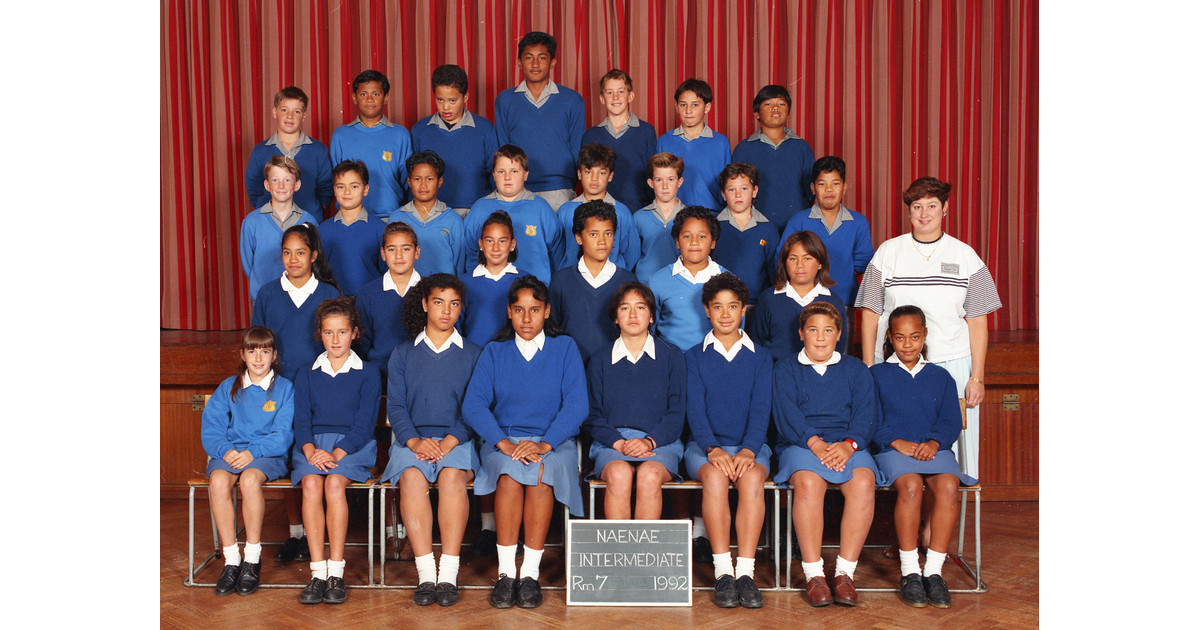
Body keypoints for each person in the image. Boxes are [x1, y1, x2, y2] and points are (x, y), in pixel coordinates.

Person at [855, 176, 1002, 479]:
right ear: (908, 210)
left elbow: (977, 319)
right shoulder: (888, 252)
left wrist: (977, 377)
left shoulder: (965, 255)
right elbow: (870, 312)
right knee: (891, 442)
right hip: (893, 364)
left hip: (951, 361)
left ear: (945, 208)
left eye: (932, 206)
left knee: (953, 447)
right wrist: (869, 365)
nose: (924, 214)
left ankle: (952, 506)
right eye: (917, 206)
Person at [462, 276, 588, 609]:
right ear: (509, 312)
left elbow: (577, 405)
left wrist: (546, 444)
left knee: (540, 477)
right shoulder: (495, 351)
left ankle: (529, 574)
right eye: (519, 310)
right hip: (505, 441)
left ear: (547, 311)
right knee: (508, 476)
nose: (527, 318)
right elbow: (473, 405)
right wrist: (502, 443)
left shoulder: (565, 348)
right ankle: (506, 574)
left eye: (535, 309)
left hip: (553, 442)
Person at [381, 275, 484, 607]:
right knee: (411, 478)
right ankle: (426, 573)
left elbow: (477, 406)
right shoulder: (402, 353)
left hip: (458, 439)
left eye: (454, 304)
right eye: (439, 302)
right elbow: (396, 407)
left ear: (461, 308)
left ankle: (448, 573)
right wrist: (413, 441)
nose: (446, 311)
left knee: (452, 478)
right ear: (425, 304)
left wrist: (452, 439)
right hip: (412, 440)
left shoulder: (474, 353)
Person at [772, 302, 878, 608]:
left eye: (828, 330)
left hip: (847, 444)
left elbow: (866, 415)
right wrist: (815, 443)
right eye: (813, 330)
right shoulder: (786, 368)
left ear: (839, 334)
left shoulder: (856, 369)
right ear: (801, 333)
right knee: (808, 484)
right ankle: (814, 574)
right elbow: (787, 413)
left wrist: (849, 444)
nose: (820, 337)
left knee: (863, 483)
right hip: (801, 444)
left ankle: (845, 573)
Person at [870, 305, 977, 609]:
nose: (907, 344)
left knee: (948, 486)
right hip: (893, 451)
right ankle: (910, 572)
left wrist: (934, 442)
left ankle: (933, 571)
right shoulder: (876, 375)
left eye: (914, 336)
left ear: (925, 335)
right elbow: (872, 419)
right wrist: (896, 442)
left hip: (934, 450)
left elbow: (951, 420)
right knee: (911, 486)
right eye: (900, 337)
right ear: (889, 337)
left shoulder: (940, 376)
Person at [250, 222, 340, 563]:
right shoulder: (268, 294)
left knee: (312, 455)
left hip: (320, 388)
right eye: (287, 253)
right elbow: (258, 343)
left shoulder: (328, 293)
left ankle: (320, 534)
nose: (293, 259)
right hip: (279, 389)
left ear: (313, 255)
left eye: (300, 252)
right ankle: (296, 533)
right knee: (288, 457)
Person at [683, 273, 772, 609]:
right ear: (707, 311)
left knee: (751, 480)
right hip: (705, 446)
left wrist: (749, 449)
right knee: (716, 479)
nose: (725, 314)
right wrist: (712, 448)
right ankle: (723, 572)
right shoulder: (693, 356)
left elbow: (761, 408)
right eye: (717, 307)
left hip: (751, 446)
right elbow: (695, 409)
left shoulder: (760, 357)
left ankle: (745, 573)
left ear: (744, 309)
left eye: (732, 306)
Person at [292, 297, 382, 605]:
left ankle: (336, 573)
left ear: (354, 333)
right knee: (311, 483)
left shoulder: (368, 372)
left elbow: (364, 424)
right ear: (320, 334)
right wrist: (311, 451)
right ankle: (318, 572)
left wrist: (336, 453)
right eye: (328, 333)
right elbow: (301, 422)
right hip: (312, 446)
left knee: (332, 484)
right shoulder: (306, 372)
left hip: (352, 446)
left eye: (342, 332)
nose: (335, 340)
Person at [201, 326, 295, 597]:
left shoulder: (285, 388)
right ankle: (232, 560)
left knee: (250, 480)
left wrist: (253, 452)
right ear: (242, 355)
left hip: (267, 455)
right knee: (218, 481)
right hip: (231, 453)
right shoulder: (228, 387)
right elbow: (212, 428)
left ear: (274, 355)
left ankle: (252, 559)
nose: (258, 358)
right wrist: (225, 450)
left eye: (265, 351)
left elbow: (283, 434)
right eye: (252, 352)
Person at [585, 282, 686, 520]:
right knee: (619, 474)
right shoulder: (599, 359)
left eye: (640, 308)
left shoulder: (672, 355)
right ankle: (620, 545)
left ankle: (644, 546)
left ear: (652, 316)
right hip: (612, 443)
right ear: (615, 318)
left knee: (649, 475)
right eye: (624, 308)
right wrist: (619, 443)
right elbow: (592, 416)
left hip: (660, 443)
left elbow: (676, 414)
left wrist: (649, 442)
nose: (632, 315)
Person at [776, 156, 875, 345]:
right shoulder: (799, 220)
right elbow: (784, 256)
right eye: (822, 184)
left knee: (841, 351)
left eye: (835, 183)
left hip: (843, 300)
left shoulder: (858, 222)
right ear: (813, 188)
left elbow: (863, 260)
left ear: (844, 187)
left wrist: (841, 273)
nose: (829, 190)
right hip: (803, 299)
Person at [493, 31, 585, 211]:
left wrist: (568, 183)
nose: (535, 64)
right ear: (519, 62)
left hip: (559, 190)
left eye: (542, 58)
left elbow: (577, 149)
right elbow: (503, 148)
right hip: (516, 189)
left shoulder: (572, 100)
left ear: (553, 62)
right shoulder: (505, 100)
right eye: (529, 57)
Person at [549, 200, 637, 364]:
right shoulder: (560, 281)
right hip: (572, 368)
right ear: (579, 238)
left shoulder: (628, 281)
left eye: (608, 234)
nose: (602, 241)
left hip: (615, 369)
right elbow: (552, 332)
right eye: (593, 234)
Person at [463, 145, 565, 284]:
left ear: (525, 174)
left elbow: (557, 254)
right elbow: (470, 253)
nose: (507, 177)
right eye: (501, 171)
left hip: (534, 290)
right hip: (490, 289)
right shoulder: (479, 208)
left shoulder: (542, 208)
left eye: (514, 171)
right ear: (493, 174)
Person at [411, 64, 499, 218]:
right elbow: (412, 177)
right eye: (440, 100)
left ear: (465, 97)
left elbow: (495, 175)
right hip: (431, 213)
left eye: (452, 101)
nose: (445, 107)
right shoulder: (420, 130)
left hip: (476, 212)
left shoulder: (485, 129)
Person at [747, 230, 847, 360]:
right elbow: (757, 343)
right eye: (793, 259)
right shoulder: (768, 299)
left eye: (807, 258)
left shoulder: (834, 301)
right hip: (775, 369)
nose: (800, 265)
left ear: (820, 263)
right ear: (784, 262)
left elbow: (839, 346)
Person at [330, 69, 413, 220]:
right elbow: (336, 180)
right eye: (363, 94)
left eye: (376, 94)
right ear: (354, 98)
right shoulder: (340, 136)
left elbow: (408, 181)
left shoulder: (400, 135)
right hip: (351, 217)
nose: (369, 99)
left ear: (386, 97)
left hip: (390, 217)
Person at [730, 85, 815, 230]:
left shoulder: (802, 147)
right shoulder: (744, 149)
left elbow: (811, 189)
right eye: (768, 104)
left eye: (781, 104)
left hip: (796, 226)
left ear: (789, 113)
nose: (775, 108)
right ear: (756, 113)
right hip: (755, 226)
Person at [244, 86, 333, 220]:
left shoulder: (318, 150)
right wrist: (264, 212)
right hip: (270, 221)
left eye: (296, 111)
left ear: (304, 116)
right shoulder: (260, 150)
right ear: (274, 112)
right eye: (284, 110)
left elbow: (327, 188)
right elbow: (253, 187)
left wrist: (313, 213)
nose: (290, 116)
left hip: (306, 222)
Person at [240, 156, 322, 300]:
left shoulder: (310, 222)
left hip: (301, 297)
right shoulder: (252, 222)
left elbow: (315, 261)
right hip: (265, 298)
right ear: (267, 185)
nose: (281, 185)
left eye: (287, 180)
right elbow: (248, 264)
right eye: (275, 180)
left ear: (297, 185)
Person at [648, 206, 727, 352]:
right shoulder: (657, 281)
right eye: (687, 236)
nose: (694, 242)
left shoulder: (728, 281)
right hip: (670, 359)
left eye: (702, 236)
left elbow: (735, 329)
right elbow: (650, 329)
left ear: (713, 242)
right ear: (677, 242)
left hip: (713, 358)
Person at [582, 69, 657, 212]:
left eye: (621, 91)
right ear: (602, 98)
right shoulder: (591, 135)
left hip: (637, 209)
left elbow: (652, 173)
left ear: (631, 96)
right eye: (609, 92)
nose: (615, 97)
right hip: (600, 211)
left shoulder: (646, 131)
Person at [556, 143, 639, 269]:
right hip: (572, 276)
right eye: (588, 172)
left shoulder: (622, 212)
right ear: (579, 174)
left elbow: (632, 253)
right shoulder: (565, 211)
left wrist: (618, 274)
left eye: (601, 173)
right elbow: (557, 251)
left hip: (611, 277)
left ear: (610, 176)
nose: (594, 178)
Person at [355, 221, 422, 376]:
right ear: (383, 254)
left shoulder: (430, 291)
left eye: (406, 249)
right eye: (392, 249)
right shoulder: (368, 293)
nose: (399, 256)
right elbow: (362, 343)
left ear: (417, 252)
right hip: (380, 373)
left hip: (421, 373)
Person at [655, 78, 731, 212]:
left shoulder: (720, 143)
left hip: (711, 214)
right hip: (673, 214)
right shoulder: (664, 142)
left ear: (707, 107)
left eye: (695, 105)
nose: (688, 110)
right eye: (683, 105)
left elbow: (728, 184)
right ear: (676, 106)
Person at [388, 150, 467, 276]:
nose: (423, 185)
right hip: (408, 287)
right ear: (409, 181)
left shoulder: (453, 220)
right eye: (417, 179)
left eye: (429, 179)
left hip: (443, 287)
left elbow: (459, 264)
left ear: (440, 181)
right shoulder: (396, 217)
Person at [711, 162, 780, 305]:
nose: (738, 194)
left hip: (757, 303)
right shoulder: (713, 227)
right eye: (731, 189)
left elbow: (774, 271)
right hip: (721, 303)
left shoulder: (768, 229)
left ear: (754, 191)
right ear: (723, 194)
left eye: (744, 188)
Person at [318, 159, 385, 297]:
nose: (347, 192)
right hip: (332, 300)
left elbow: (386, 272)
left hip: (369, 299)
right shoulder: (322, 230)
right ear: (334, 190)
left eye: (354, 186)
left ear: (365, 189)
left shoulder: (381, 229)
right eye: (340, 187)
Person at [459, 210, 523, 348]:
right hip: (475, 355)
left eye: (502, 241)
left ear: (512, 244)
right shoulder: (463, 283)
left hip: (512, 355)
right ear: (481, 244)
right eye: (489, 241)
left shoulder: (525, 281)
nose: (495, 248)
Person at [632, 152, 689, 283]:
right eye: (659, 180)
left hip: (679, 283)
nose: (665, 186)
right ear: (651, 183)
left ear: (680, 182)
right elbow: (632, 256)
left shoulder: (690, 217)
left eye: (670, 179)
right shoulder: (639, 217)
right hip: (645, 283)